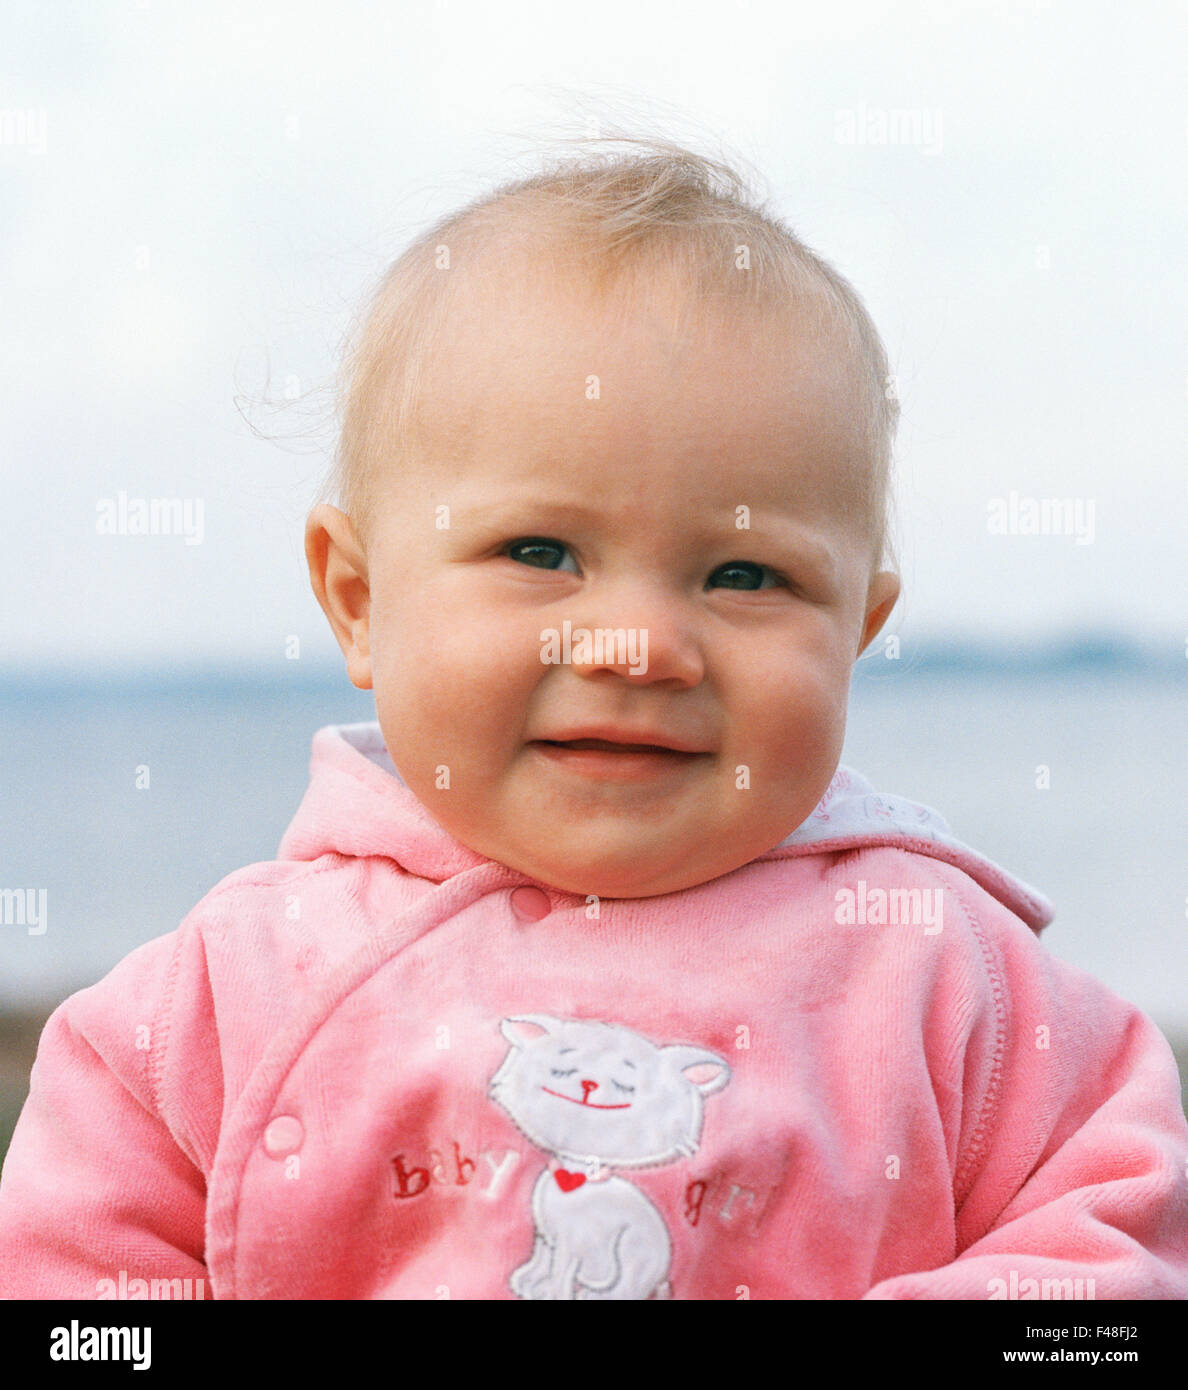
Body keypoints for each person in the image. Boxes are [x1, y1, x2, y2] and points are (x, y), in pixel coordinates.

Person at [2, 138, 1185, 1299]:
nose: (640, 645)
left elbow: (1107, 1256)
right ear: (362, 602)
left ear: (857, 629)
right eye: (541, 552)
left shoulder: (946, 974)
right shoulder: (229, 991)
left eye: (744, 574)